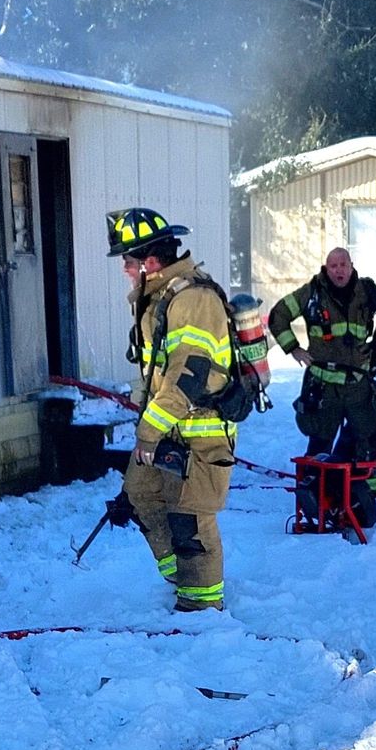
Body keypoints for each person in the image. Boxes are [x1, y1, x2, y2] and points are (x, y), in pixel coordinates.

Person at [111, 206, 237, 612]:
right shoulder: (159, 299)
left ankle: (201, 610)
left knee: (190, 519)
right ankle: (181, 578)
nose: (125, 271)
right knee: (140, 494)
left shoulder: (193, 300)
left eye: (128, 263)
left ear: (149, 262)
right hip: (170, 428)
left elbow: (188, 375)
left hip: (200, 431)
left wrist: (149, 431)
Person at [268, 247, 376, 493]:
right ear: (326, 268)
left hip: (358, 385)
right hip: (324, 386)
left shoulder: (368, 292)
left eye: (343, 265)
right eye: (333, 266)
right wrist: (293, 348)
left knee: (372, 440)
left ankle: (372, 492)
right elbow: (278, 315)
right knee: (320, 442)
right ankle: (315, 491)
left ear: (351, 265)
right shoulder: (311, 293)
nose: (339, 270)